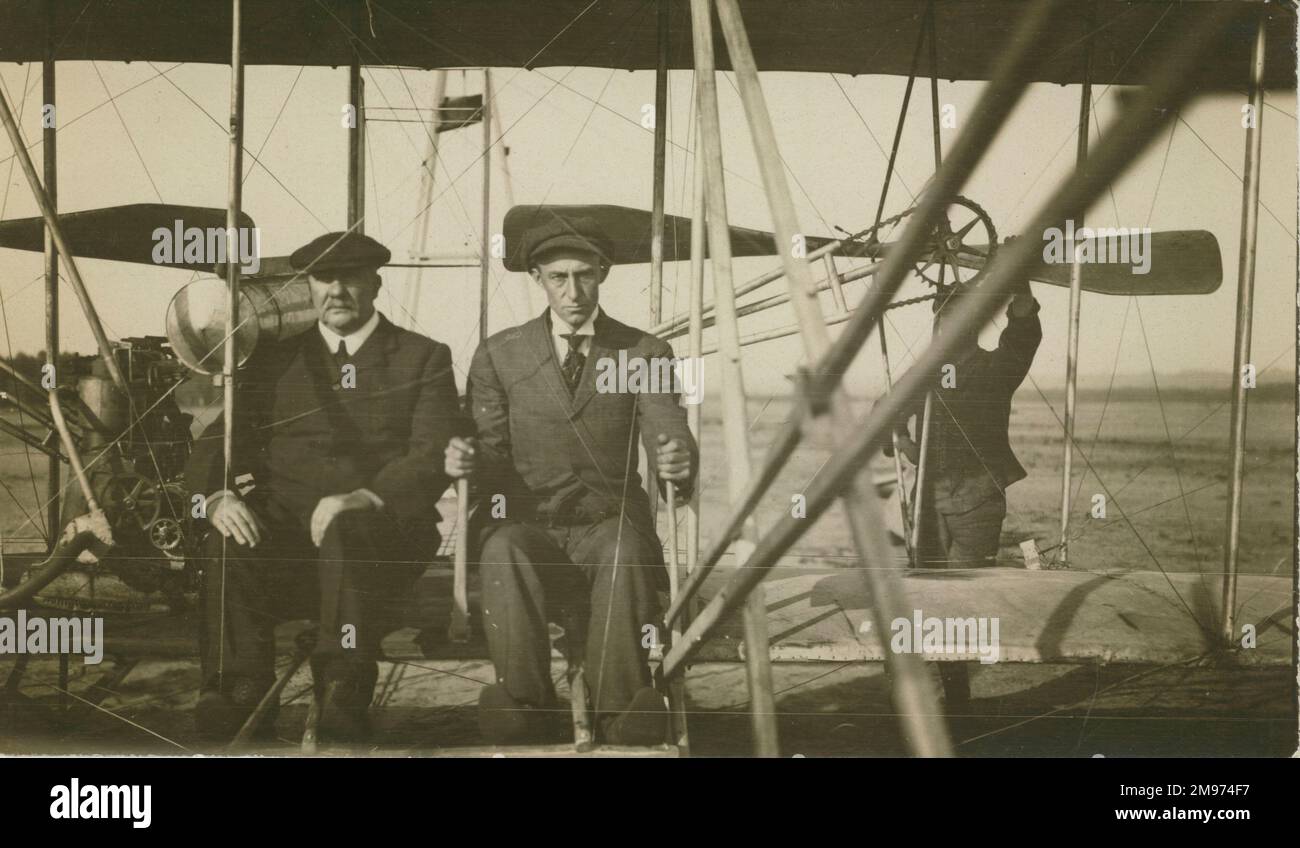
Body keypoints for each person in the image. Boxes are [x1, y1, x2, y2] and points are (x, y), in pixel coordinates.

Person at [187, 232, 463, 744]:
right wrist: (216, 496)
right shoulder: (272, 360)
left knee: (347, 525)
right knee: (227, 539)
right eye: (322, 278)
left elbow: (432, 452)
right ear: (309, 286)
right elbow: (218, 441)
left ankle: (343, 687)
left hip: (382, 542)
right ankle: (237, 688)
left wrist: (364, 497)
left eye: (350, 277)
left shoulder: (423, 356)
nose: (336, 290)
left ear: (375, 284)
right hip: (290, 545)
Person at [444, 214, 697, 746]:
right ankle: (523, 701)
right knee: (503, 549)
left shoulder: (642, 352)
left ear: (602, 273)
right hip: (528, 524)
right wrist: (465, 461)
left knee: (626, 550)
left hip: (606, 523)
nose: (573, 290)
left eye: (584, 275)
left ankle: (623, 708)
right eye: (559, 277)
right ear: (538, 278)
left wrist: (678, 459)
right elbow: (488, 449)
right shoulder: (501, 352)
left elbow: (667, 426)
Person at [894, 278, 1041, 709]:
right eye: (942, 316)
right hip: (929, 504)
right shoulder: (925, 374)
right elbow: (887, 410)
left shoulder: (997, 368)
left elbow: (1022, 335)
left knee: (960, 601)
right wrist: (903, 443)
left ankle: (956, 700)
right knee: (930, 598)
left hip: (977, 501)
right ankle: (947, 691)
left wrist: (1022, 288)